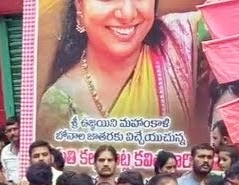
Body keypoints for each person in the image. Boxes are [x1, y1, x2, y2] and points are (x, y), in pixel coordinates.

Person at [37, 1, 202, 143]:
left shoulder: (179, 41)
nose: (128, 14)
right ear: (79, 5)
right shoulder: (59, 103)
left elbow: (225, 18)